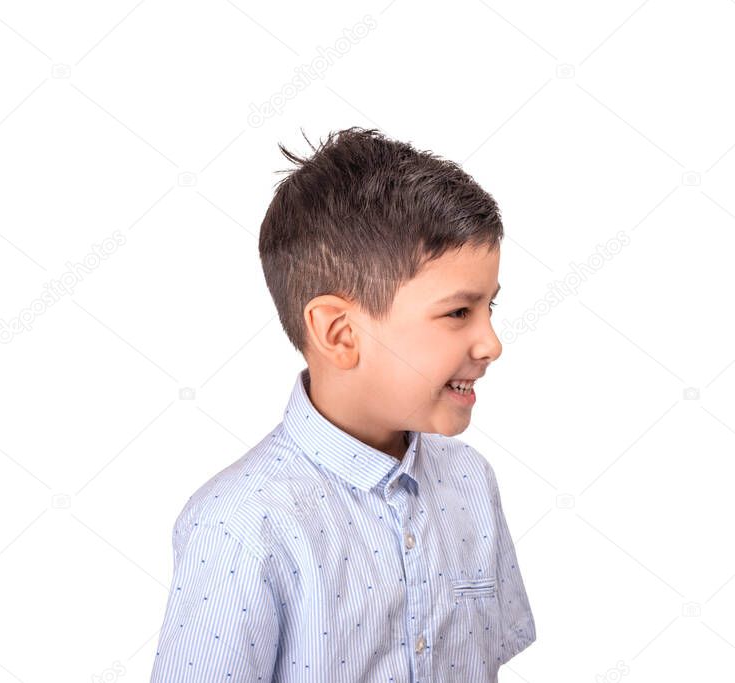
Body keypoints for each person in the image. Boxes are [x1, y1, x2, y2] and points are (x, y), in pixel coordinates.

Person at [150, 127, 536, 682]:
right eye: (458, 313)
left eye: (490, 307)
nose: (491, 343)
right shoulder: (240, 525)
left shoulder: (470, 481)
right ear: (339, 333)